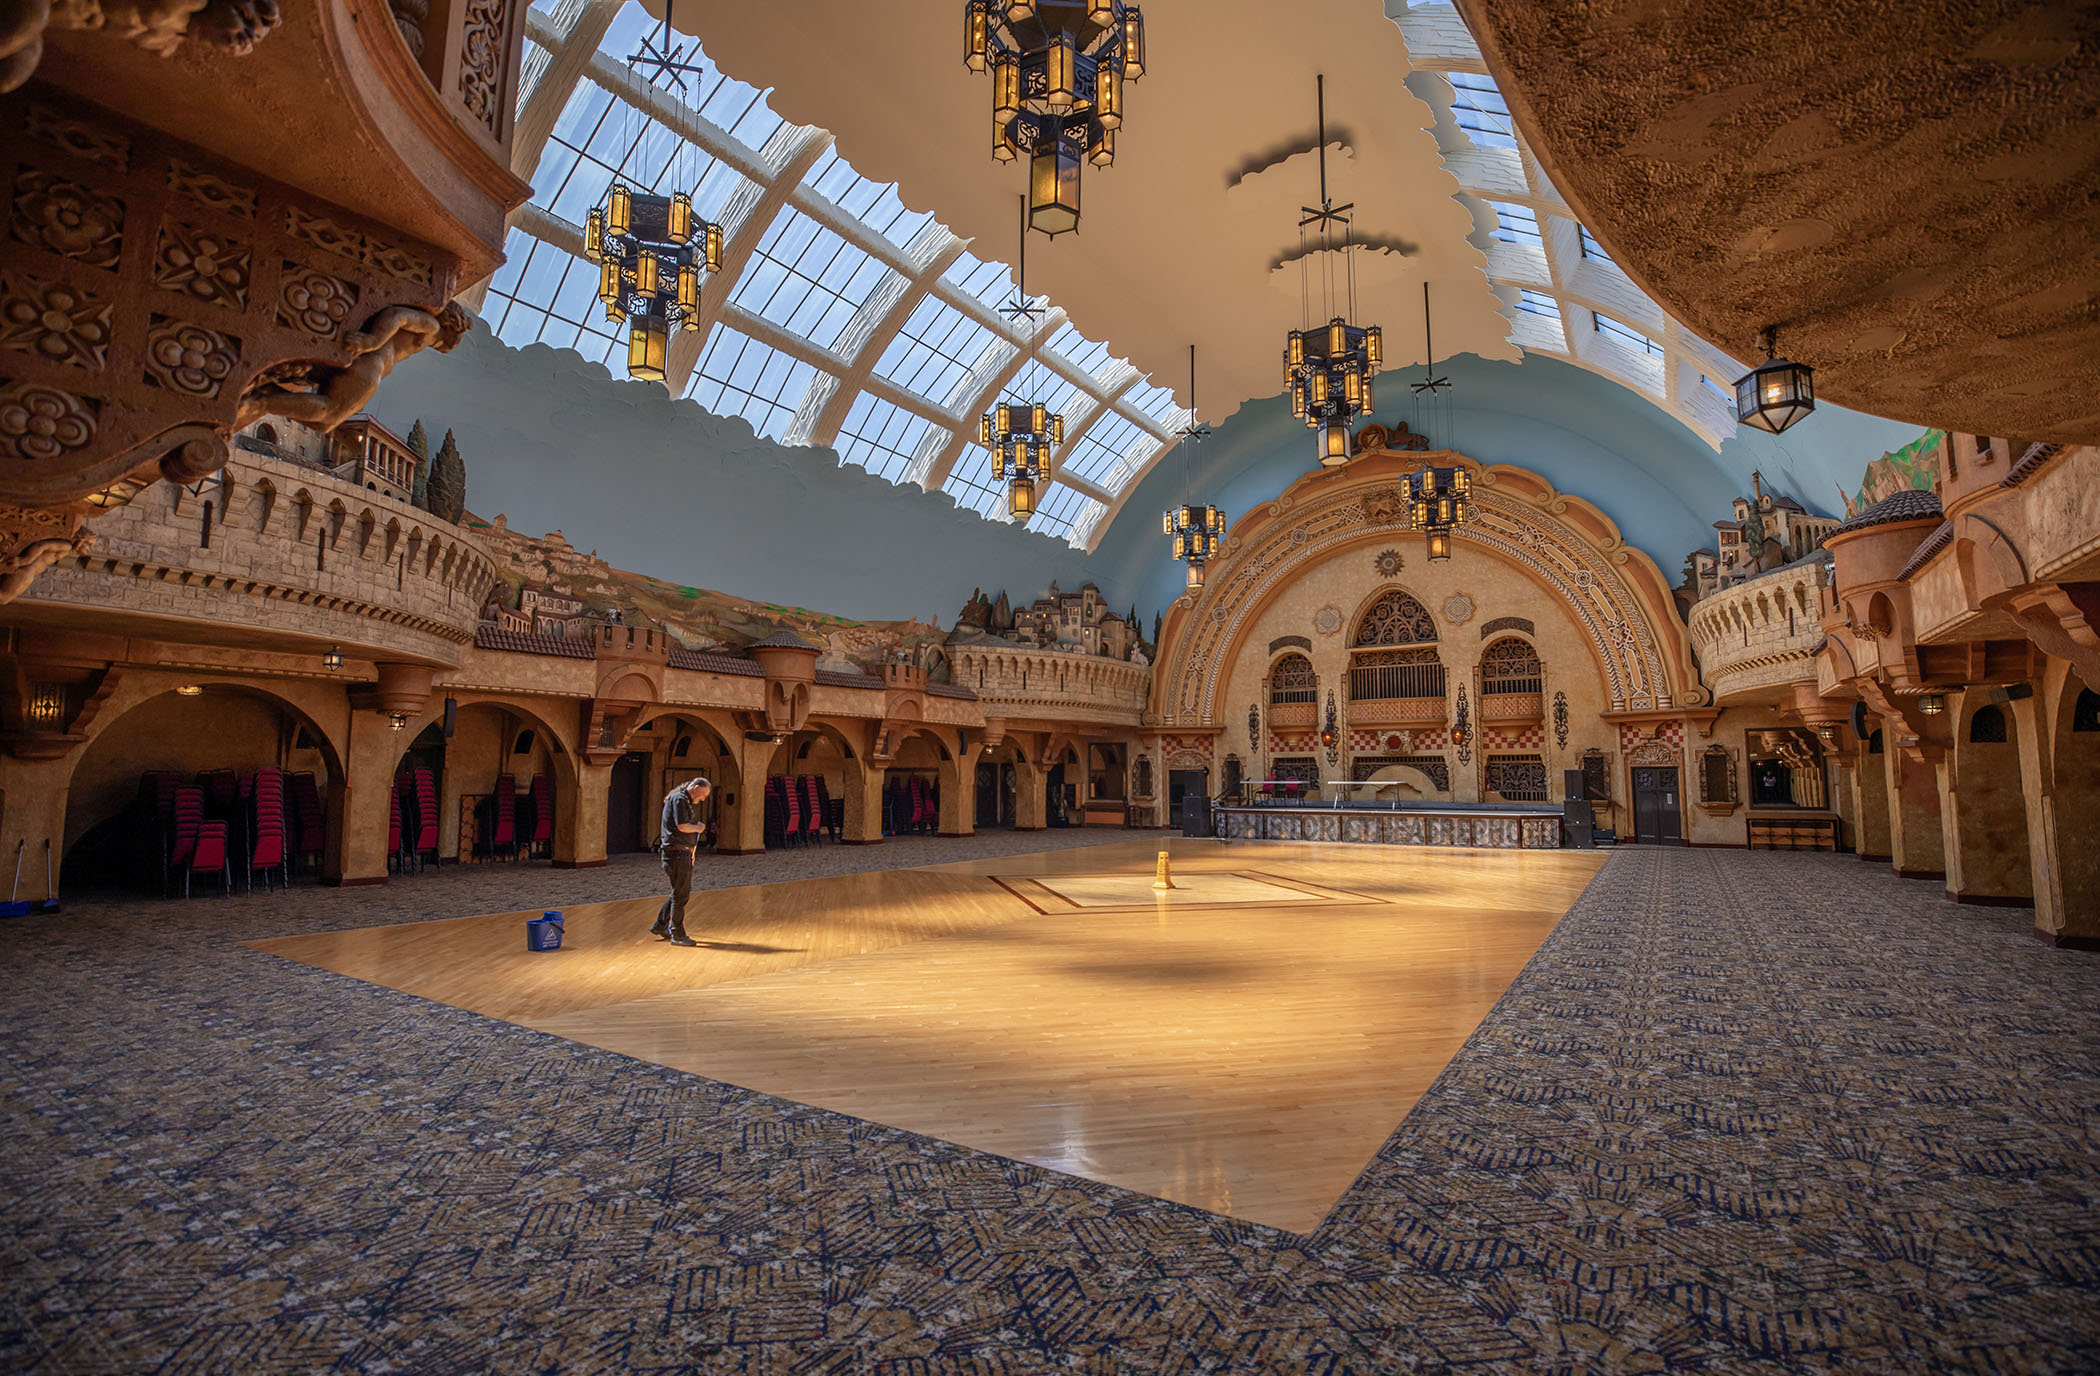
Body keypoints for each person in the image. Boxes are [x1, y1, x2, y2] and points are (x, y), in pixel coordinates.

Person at [650, 777, 711, 946]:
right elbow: (682, 826)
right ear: (696, 788)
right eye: (703, 795)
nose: (703, 799)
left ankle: (660, 925)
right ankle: (677, 934)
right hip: (676, 855)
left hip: (678, 854)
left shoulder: (680, 799)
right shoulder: (679, 799)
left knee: (678, 891)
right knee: (681, 895)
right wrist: (698, 828)